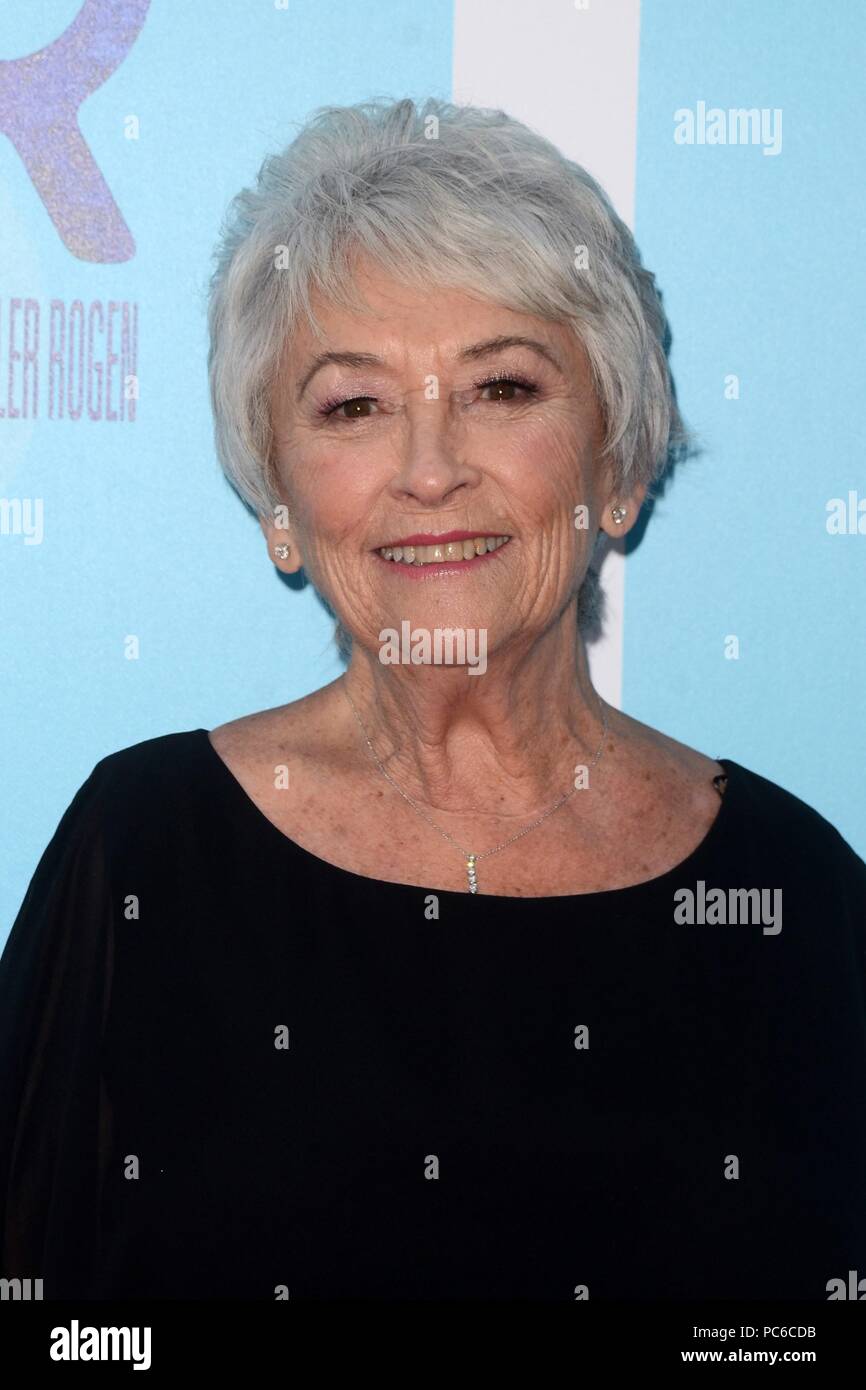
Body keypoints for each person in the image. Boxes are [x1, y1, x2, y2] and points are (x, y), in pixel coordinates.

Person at [2, 97, 864, 1301]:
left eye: (500, 388)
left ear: (612, 466)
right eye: (354, 406)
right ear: (283, 510)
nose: (427, 468)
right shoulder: (142, 849)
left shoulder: (792, 889)